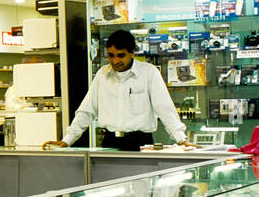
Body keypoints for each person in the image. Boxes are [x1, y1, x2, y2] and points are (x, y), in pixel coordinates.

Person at [46, 29, 193, 152]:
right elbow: (87, 110)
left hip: (140, 143)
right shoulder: (102, 74)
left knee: (142, 186)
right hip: (109, 142)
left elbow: (164, 108)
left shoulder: (149, 72)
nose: (115, 61)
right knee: (109, 186)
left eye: (121, 55)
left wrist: (181, 140)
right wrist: (67, 140)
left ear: (132, 52)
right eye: (111, 55)